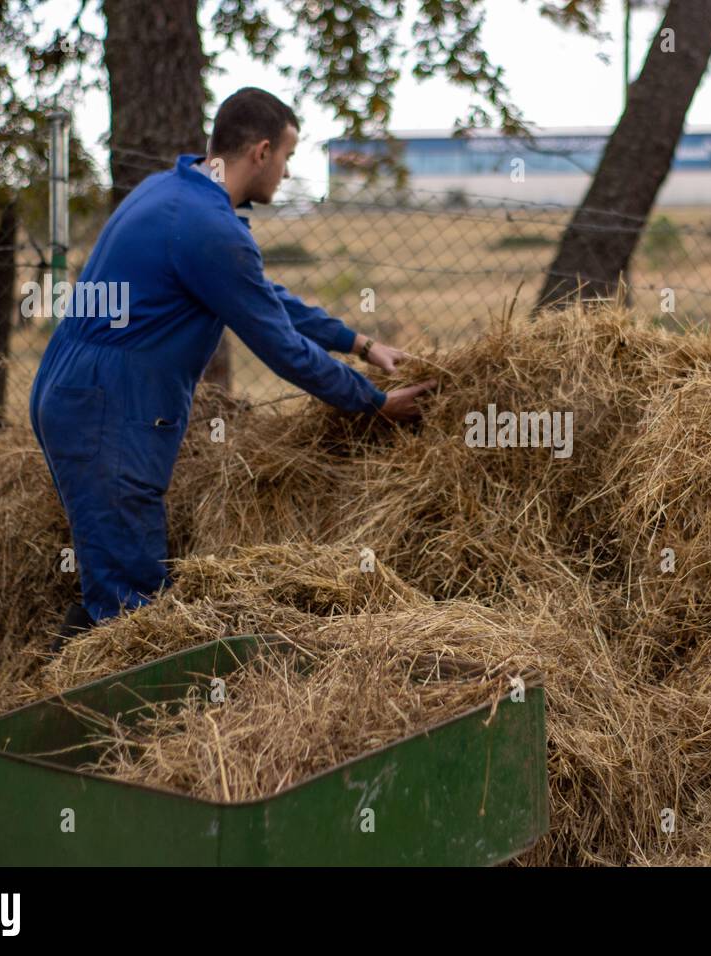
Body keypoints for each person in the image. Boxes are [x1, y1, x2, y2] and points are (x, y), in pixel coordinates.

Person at [30, 88, 436, 647]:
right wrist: (373, 401)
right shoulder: (208, 227)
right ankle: (86, 722)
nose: (287, 172)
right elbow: (280, 347)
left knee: (113, 580)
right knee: (132, 608)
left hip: (77, 390)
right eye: (289, 158)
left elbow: (260, 296)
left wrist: (360, 343)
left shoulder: (173, 192)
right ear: (262, 152)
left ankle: (59, 683)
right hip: (109, 410)